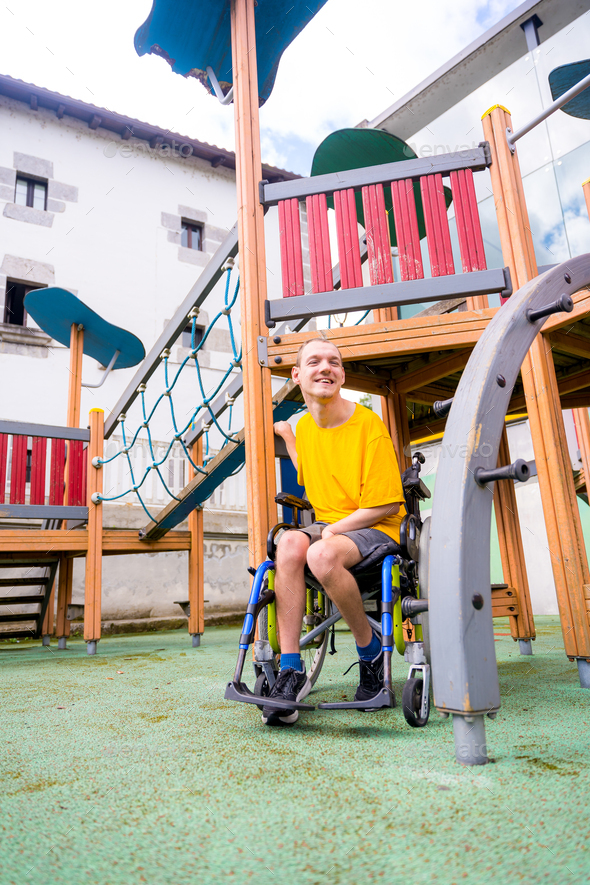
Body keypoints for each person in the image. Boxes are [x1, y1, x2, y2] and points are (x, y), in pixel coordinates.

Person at [263, 337, 406, 726]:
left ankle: (370, 651)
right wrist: (289, 437)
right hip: (332, 527)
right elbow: (308, 472)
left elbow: (387, 504)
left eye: (334, 362)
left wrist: (333, 531)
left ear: (342, 375)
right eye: (314, 361)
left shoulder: (367, 425)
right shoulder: (307, 426)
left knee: (320, 553)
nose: (325, 367)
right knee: (289, 542)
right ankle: (290, 670)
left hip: (376, 526)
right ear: (297, 375)